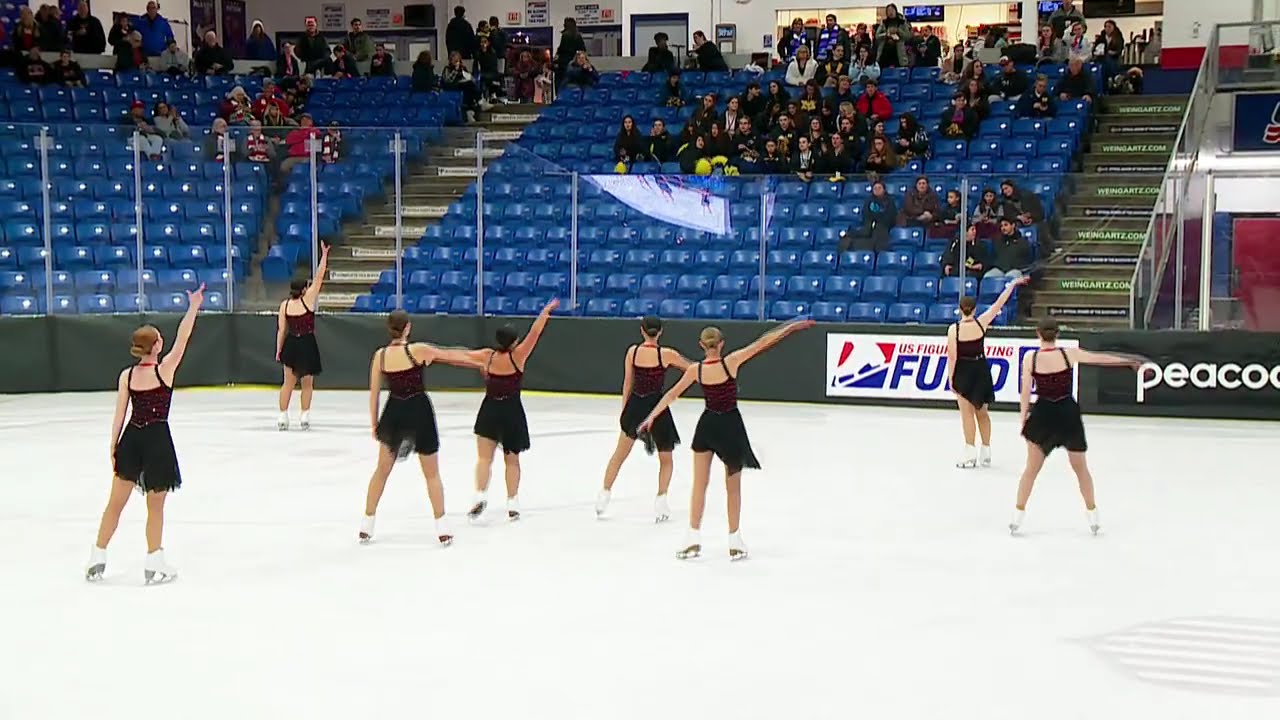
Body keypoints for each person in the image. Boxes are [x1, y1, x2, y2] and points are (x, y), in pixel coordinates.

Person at [638, 321, 815, 560]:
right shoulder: (731, 362)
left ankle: (692, 537)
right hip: (730, 426)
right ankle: (735, 540)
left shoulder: (696, 370)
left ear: (701, 345)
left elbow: (670, 395)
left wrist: (650, 417)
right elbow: (763, 342)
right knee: (733, 488)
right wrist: (791, 327)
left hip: (707, 426)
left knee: (699, 485)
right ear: (721, 344)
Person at [87, 284, 206, 584]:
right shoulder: (164, 371)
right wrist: (193, 307)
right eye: (159, 340)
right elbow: (183, 338)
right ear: (155, 347)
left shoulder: (126, 375)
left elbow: (120, 415)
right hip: (156, 441)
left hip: (130, 439)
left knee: (115, 503)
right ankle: (154, 560)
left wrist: (113, 446)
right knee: (155, 506)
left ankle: (97, 556)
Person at [360, 311, 482, 547]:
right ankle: (442, 527)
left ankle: (367, 523)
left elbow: (374, 393)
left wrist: (375, 423)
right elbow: (449, 356)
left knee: (381, 471)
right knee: (432, 474)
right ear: (407, 328)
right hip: (418, 410)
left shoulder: (380, 356)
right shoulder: (418, 350)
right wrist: (478, 360)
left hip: (394, 411)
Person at [1012, 318, 1141, 536]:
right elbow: (1099, 358)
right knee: (1080, 469)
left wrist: (1023, 417)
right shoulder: (1068, 354)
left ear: (1038, 333)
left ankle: (1017, 516)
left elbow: (1026, 391)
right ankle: (1093, 516)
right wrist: (1126, 361)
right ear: (1058, 334)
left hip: (1043, 413)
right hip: (1067, 413)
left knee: (1030, 470)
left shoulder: (1030, 358)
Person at [465, 299, 558, 522]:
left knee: (484, 458)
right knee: (512, 460)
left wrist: (435, 354)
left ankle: (480, 494)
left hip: (490, 409)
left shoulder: (487, 357)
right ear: (515, 342)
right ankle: (512, 502)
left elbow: (460, 356)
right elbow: (535, 332)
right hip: (511, 411)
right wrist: (545, 311)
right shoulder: (518, 356)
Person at [596, 317, 692, 521]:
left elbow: (627, 383)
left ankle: (604, 494)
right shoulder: (666, 354)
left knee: (619, 455)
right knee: (666, 459)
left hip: (636, 406)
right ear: (660, 332)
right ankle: (661, 500)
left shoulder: (633, 352)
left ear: (642, 331)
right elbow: (692, 369)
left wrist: (625, 410)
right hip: (657, 408)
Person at [946, 277, 1030, 469]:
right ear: (974, 309)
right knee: (982, 412)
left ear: (960, 309)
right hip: (980, 370)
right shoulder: (981, 323)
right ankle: (986, 451)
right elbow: (999, 303)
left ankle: (969, 453)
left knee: (966, 414)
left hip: (963, 371)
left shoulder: (954, 330)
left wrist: (952, 379)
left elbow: (952, 357)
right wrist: (1012, 284)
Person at [275, 244, 330, 430]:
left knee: (288, 383)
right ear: (304, 290)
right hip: (307, 343)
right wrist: (325, 255)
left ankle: (282, 417)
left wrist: (279, 350)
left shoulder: (284, 305)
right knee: (307, 383)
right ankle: (304, 416)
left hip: (291, 343)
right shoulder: (308, 300)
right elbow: (320, 277)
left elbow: (281, 330)